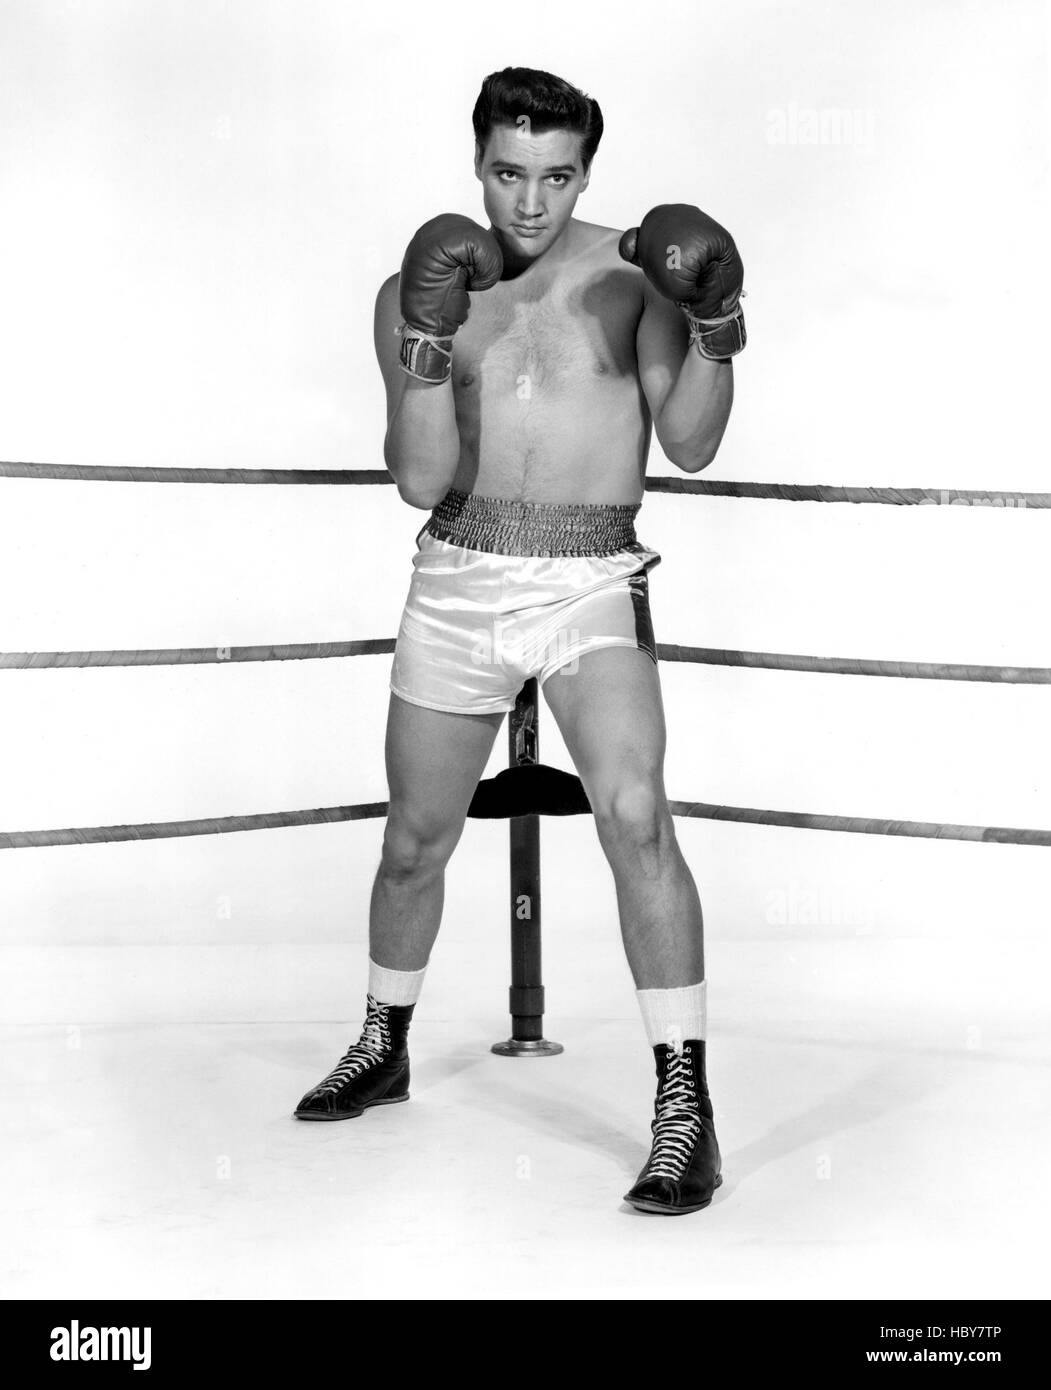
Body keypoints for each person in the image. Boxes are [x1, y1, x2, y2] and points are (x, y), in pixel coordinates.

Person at [294, 66, 745, 1216]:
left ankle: (684, 1108)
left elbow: (691, 444)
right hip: (458, 573)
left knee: (636, 816)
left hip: (590, 579)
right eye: (508, 173)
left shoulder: (632, 278)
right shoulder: (415, 285)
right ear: (477, 164)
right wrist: (428, 336)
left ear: (586, 171)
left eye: (555, 176)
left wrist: (714, 323)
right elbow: (419, 478)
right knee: (414, 841)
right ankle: (383, 1041)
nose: (530, 202)